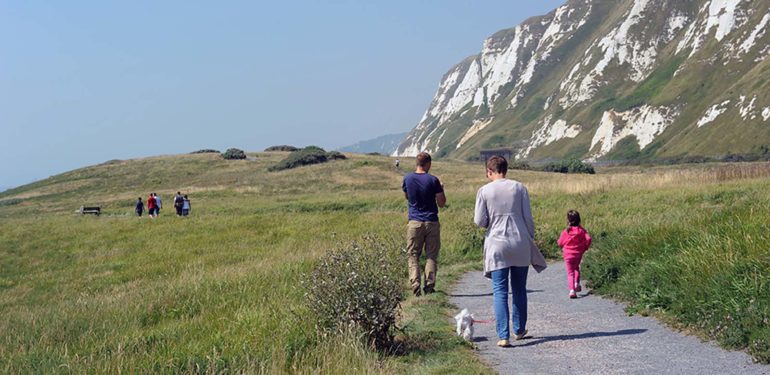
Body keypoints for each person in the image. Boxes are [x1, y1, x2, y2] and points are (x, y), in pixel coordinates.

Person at [474, 155, 547, 347]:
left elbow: (479, 220)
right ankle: (519, 329)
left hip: (497, 243)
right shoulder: (519, 188)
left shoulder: (484, 190)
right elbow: (528, 218)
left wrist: (491, 223)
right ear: (505, 169)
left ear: (489, 171)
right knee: (519, 289)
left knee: (499, 291)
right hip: (520, 240)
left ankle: (503, 335)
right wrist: (529, 237)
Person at [402, 152, 446, 296]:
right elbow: (442, 203)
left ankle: (415, 283)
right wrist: (441, 189)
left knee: (413, 255)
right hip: (431, 221)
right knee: (431, 255)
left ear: (417, 163)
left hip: (414, 222)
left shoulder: (407, 179)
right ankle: (429, 285)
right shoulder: (433, 180)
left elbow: (407, 197)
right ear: (428, 164)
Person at [557, 210, 592, 299]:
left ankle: (572, 290)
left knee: (570, 272)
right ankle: (576, 284)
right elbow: (588, 239)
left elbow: (560, 242)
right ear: (579, 219)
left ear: (568, 220)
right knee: (576, 268)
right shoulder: (582, 231)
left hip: (568, 254)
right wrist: (585, 247)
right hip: (578, 253)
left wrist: (563, 245)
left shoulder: (566, 231)